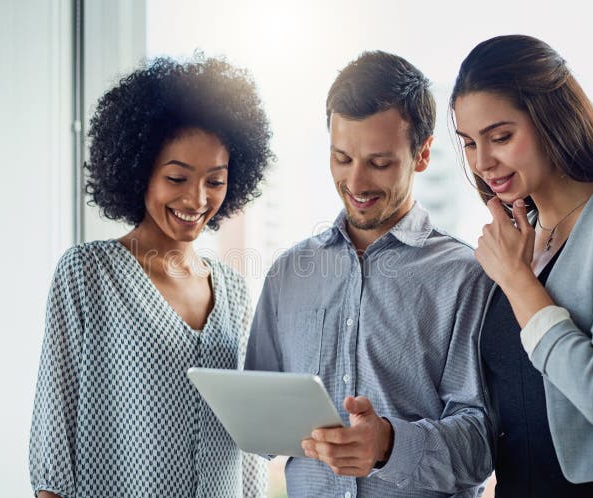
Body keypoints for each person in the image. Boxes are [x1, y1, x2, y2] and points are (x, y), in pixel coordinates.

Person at [245, 51, 494, 498]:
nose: (356, 183)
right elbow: (260, 425)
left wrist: (388, 445)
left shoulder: (466, 276)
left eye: (379, 163)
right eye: (342, 158)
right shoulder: (288, 274)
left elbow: (484, 444)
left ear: (422, 155)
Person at [28, 56, 274, 498]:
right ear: (139, 171)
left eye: (215, 181)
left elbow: (248, 445)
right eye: (177, 177)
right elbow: (54, 431)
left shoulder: (234, 290)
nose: (196, 199)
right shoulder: (87, 275)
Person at [451, 34, 593, 497]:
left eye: (501, 136)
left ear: (551, 118)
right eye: (468, 143)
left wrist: (516, 279)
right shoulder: (515, 239)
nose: (483, 162)